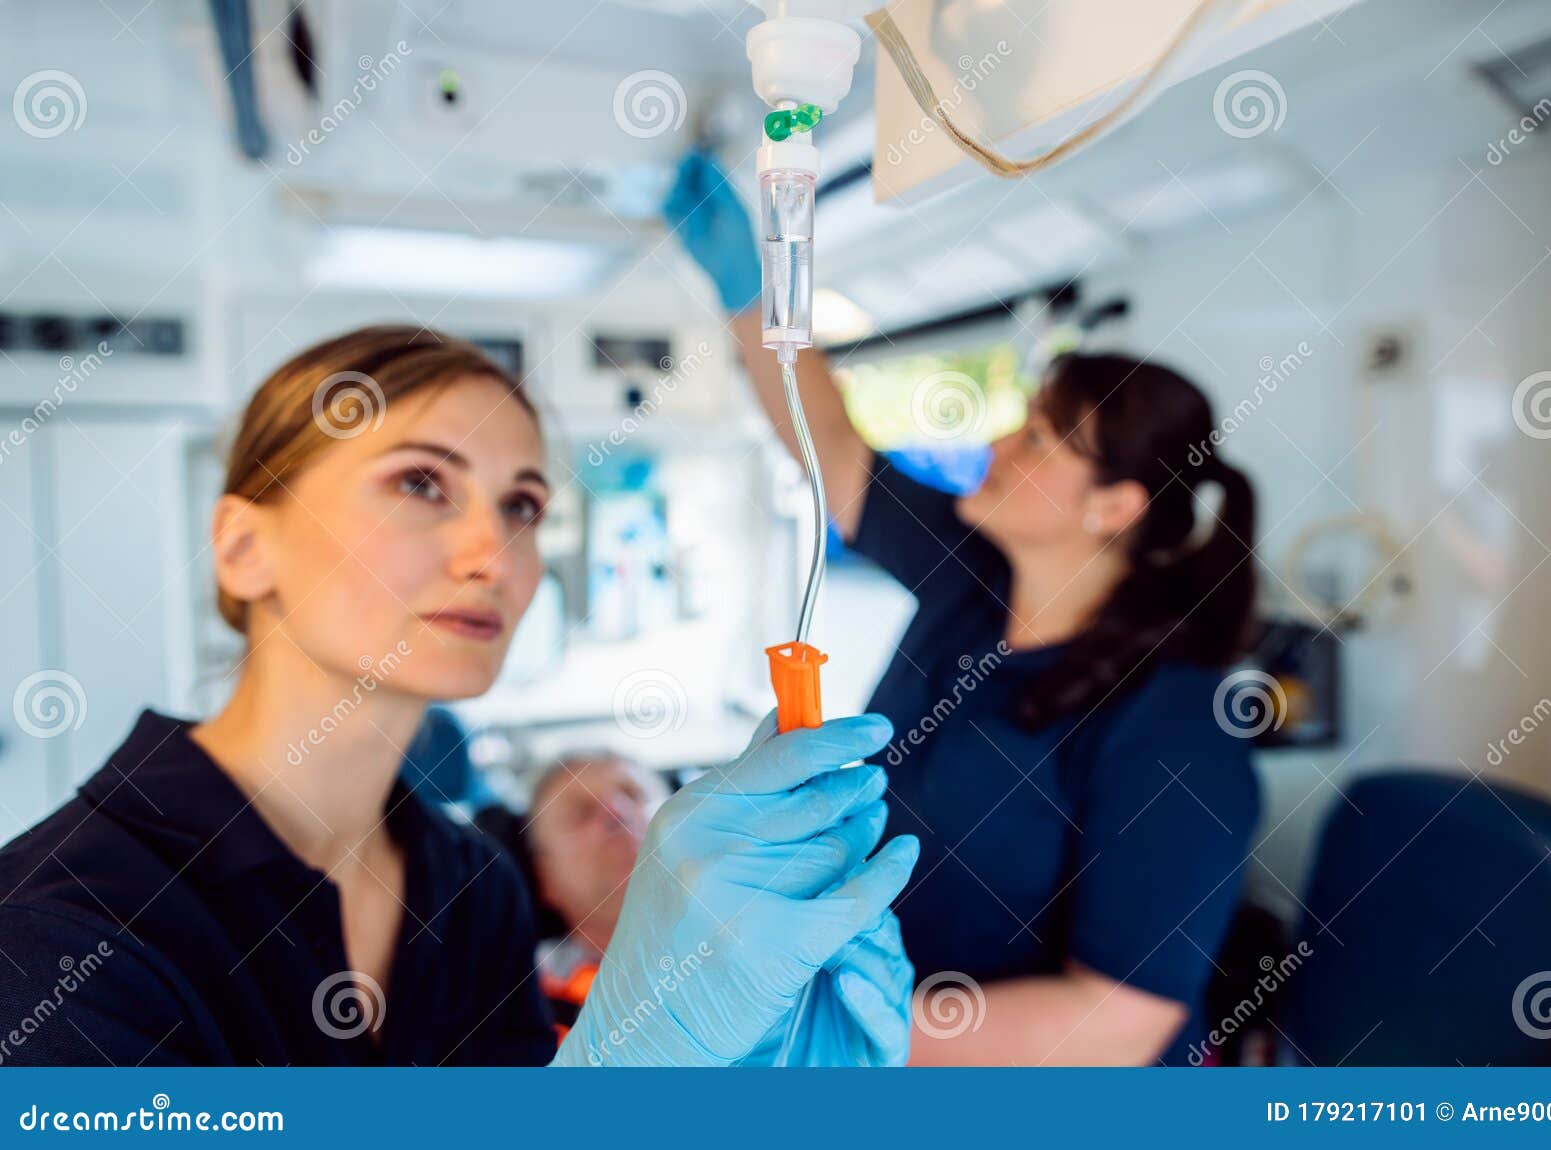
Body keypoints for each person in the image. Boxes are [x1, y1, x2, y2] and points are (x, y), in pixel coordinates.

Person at [0, 325, 919, 1067]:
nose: (494, 552)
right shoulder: (58, 929)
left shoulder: (470, 886)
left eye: (521, 505)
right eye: (421, 482)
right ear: (244, 545)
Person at [666, 151, 1262, 1066]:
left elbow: (1111, 1022)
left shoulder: (1174, 730)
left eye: (1035, 439)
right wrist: (757, 293)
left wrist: (862, 1034)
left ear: (1114, 507)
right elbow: (825, 441)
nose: (995, 442)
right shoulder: (970, 584)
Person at [475, 750, 668, 1032]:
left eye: (633, 793)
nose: (617, 811)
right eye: (581, 813)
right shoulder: (516, 1006)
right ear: (543, 877)